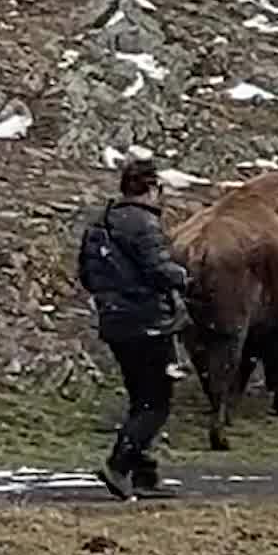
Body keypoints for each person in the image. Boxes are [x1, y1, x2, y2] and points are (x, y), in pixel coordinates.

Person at [77, 155, 190, 500]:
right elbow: (158, 270)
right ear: (152, 189)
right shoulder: (143, 223)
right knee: (156, 401)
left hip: (115, 323)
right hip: (149, 323)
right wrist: (183, 276)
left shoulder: (101, 222)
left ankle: (144, 474)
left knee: (140, 397)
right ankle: (119, 465)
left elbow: (86, 273)